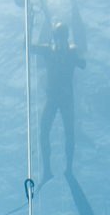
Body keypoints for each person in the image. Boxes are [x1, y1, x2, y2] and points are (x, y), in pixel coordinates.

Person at [35, 20, 85, 184]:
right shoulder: (47, 50)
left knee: (69, 134)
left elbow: (83, 64)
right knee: (43, 132)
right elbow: (27, 47)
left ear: (66, 39)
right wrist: (30, 22)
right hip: (53, 99)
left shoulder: (71, 52)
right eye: (58, 38)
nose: (60, 42)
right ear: (54, 38)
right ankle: (47, 170)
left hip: (66, 100)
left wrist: (75, 56)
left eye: (63, 39)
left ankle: (68, 168)